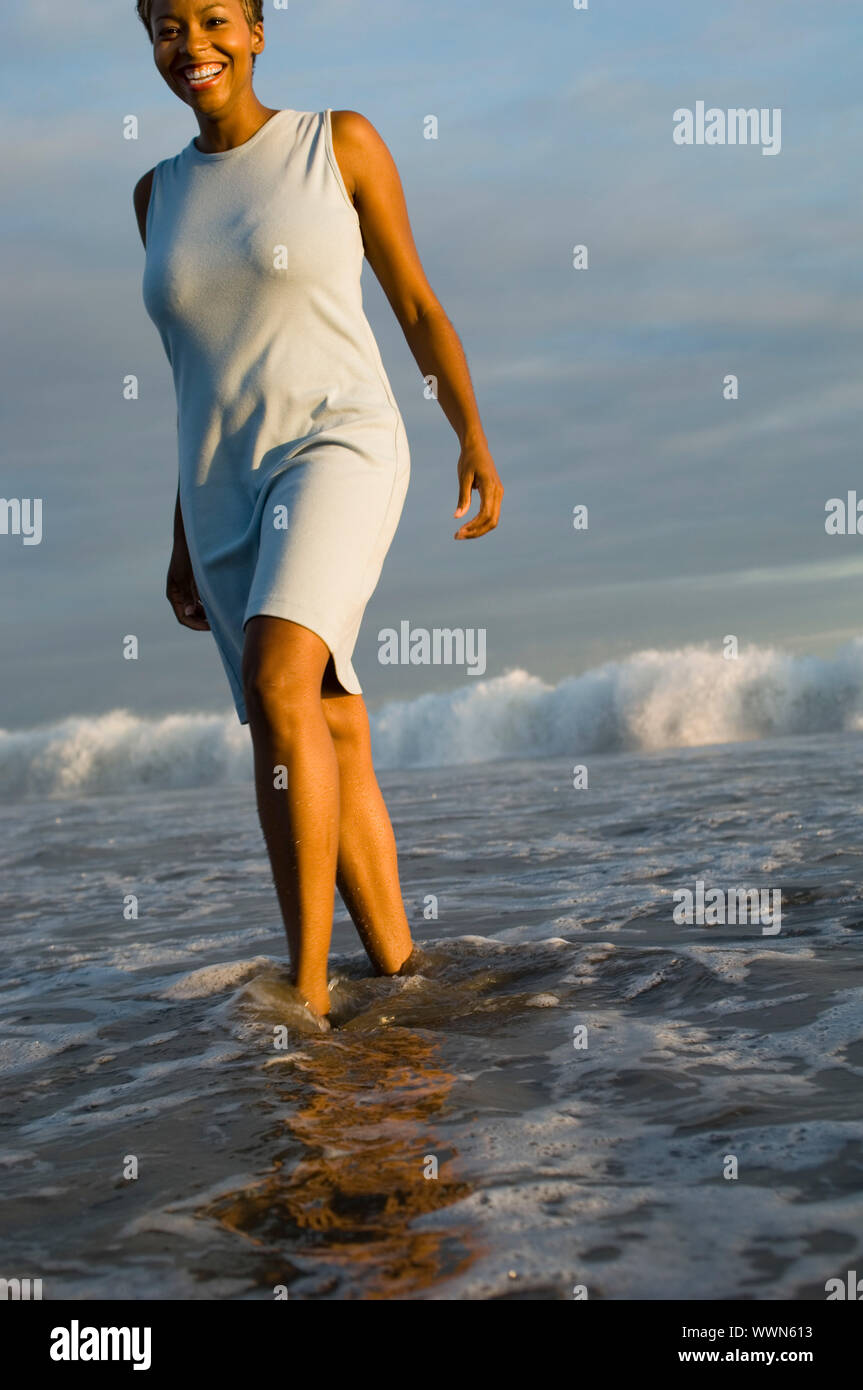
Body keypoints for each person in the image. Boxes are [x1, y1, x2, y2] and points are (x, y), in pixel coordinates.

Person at [133, 0, 503, 1019]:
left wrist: (468, 433)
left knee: (279, 674)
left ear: (257, 30)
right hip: (218, 487)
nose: (191, 43)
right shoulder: (153, 195)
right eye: (167, 25)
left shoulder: (334, 142)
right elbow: (189, 376)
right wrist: (177, 536)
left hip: (339, 441)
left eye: (214, 19)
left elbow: (416, 305)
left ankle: (302, 995)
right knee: (322, 719)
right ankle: (397, 971)